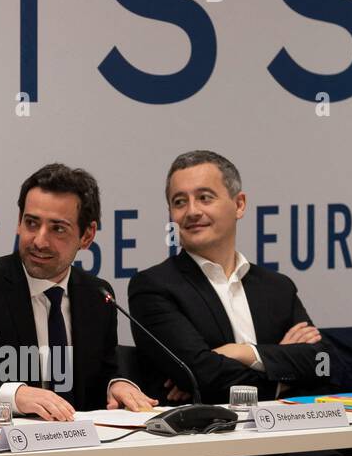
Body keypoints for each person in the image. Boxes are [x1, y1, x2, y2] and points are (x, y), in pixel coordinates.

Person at [0, 163, 155, 420]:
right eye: (32, 223)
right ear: (19, 222)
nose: (40, 241)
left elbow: (101, 373)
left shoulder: (97, 296)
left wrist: (116, 385)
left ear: (87, 236)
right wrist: (14, 394)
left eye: (58, 229)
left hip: (82, 452)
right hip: (3, 454)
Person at [129, 150, 336, 405]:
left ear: (239, 204)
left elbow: (322, 364)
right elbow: (201, 376)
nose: (192, 211)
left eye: (205, 198)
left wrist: (243, 352)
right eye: (179, 202)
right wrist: (283, 372)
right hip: (206, 438)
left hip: (287, 435)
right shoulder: (155, 287)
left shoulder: (277, 287)